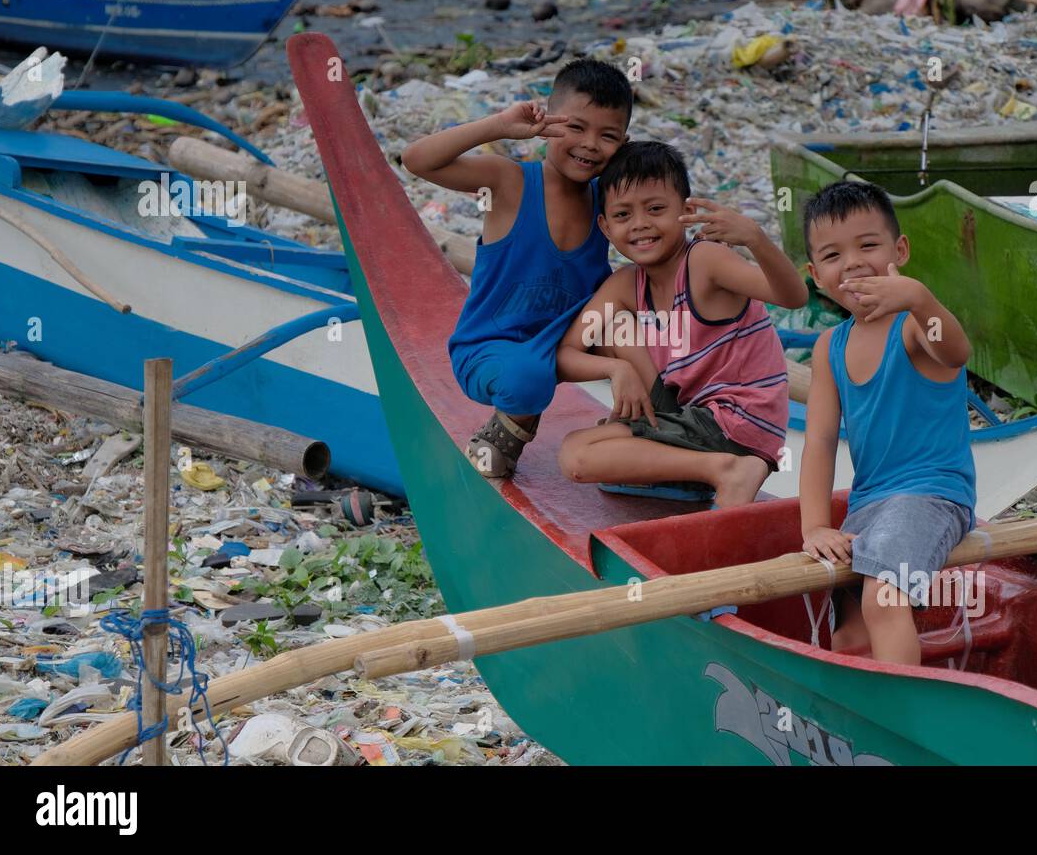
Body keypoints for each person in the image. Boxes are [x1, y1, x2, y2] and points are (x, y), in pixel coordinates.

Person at [401, 59, 633, 477]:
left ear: (625, 143)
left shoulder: (609, 197)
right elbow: (417, 160)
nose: (590, 144)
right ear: (547, 122)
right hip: (493, 350)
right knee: (527, 377)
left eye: (608, 136)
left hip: (571, 342)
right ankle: (507, 428)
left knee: (657, 339)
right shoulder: (509, 181)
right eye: (576, 127)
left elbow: (656, 233)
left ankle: (640, 435)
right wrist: (498, 126)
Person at [556, 141, 808, 507]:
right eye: (623, 215)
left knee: (576, 456)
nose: (641, 225)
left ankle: (724, 470)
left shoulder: (704, 261)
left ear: (686, 211)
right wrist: (616, 368)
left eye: (656, 209)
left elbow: (793, 297)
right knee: (614, 330)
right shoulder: (627, 283)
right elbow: (567, 351)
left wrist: (755, 238)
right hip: (691, 413)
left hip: (737, 422)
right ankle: (693, 471)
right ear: (605, 227)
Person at [798, 180, 976, 665]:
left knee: (885, 598)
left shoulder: (917, 326)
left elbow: (957, 351)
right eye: (833, 255)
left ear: (900, 250)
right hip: (869, 505)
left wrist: (919, 298)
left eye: (868, 245)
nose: (853, 262)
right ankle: (855, 724)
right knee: (849, 630)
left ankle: (903, 716)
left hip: (932, 496)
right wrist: (814, 525)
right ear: (816, 276)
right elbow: (817, 442)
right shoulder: (829, 347)